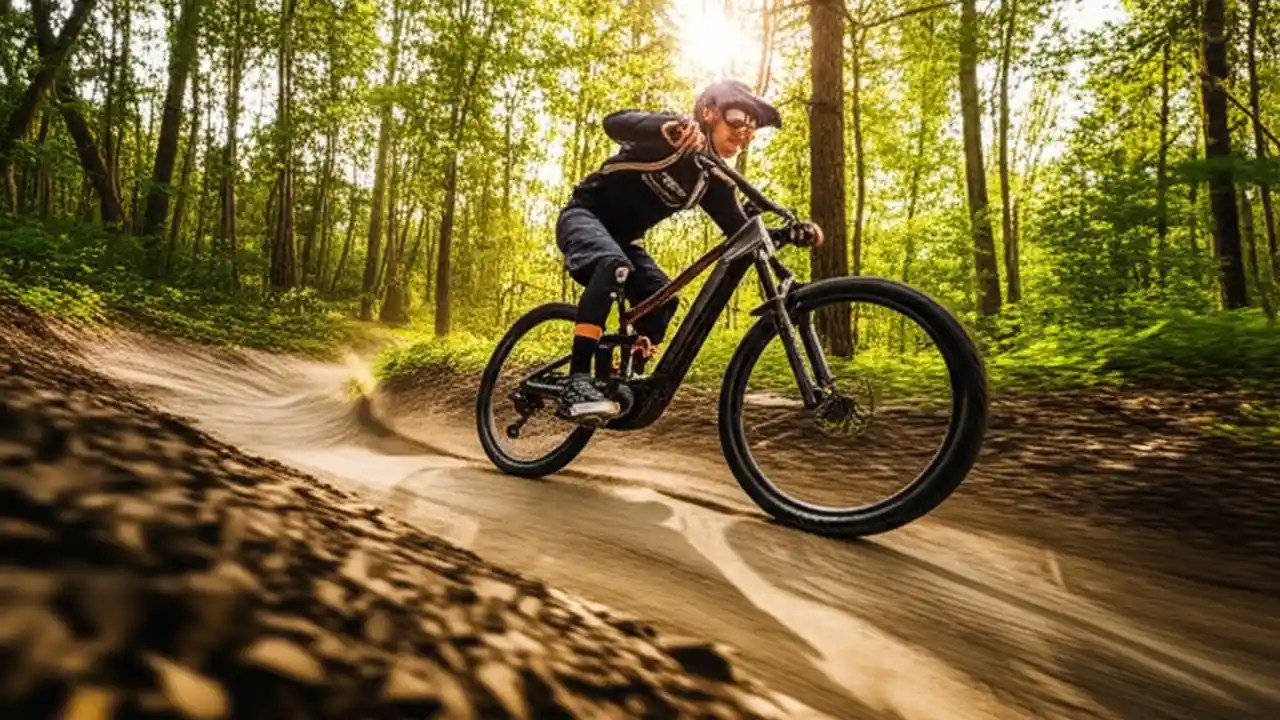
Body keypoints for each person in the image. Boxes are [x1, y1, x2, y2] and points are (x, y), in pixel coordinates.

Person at [554, 79, 824, 425]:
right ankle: (576, 382)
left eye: (753, 128)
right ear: (710, 113)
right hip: (584, 216)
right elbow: (614, 122)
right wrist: (664, 127)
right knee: (611, 264)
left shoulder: (710, 182)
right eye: (739, 119)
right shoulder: (671, 135)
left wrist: (787, 232)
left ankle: (622, 378)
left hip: (624, 242)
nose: (745, 132)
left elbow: (740, 231)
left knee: (662, 300)